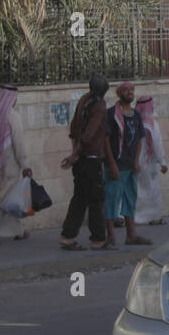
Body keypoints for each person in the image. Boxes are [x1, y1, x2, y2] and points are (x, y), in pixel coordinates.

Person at [60, 74, 113, 251]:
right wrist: (76, 153)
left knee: (79, 198)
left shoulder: (84, 99)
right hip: (91, 158)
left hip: (81, 159)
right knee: (96, 200)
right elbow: (89, 135)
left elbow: (74, 129)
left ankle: (68, 236)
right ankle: (98, 239)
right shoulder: (99, 106)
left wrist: (74, 153)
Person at [0, 85, 33, 244]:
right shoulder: (12, 116)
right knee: (5, 198)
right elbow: (18, 142)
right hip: (10, 164)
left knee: (10, 197)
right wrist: (25, 165)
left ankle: (20, 230)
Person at [100, 82, 152, 247]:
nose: (130, 93)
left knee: (130, 199)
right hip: (116, 165)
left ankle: (131, 234)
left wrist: (136, 162)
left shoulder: (136, 115)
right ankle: (110, 237)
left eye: (132, 90)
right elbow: (106, 140)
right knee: (112, 199)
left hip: (130, 165)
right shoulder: (111, 114)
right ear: (119, 93)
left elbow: (138, 139)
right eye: (126, 90)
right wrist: (112, 163)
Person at [133, 96, 168, 227]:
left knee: (138, 190)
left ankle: (135, 217)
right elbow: (157, 144)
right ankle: (154, 217)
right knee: (152, 190)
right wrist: (163, 162)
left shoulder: (134, 122)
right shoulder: (152, 124)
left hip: (136, 162)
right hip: (149, 163)